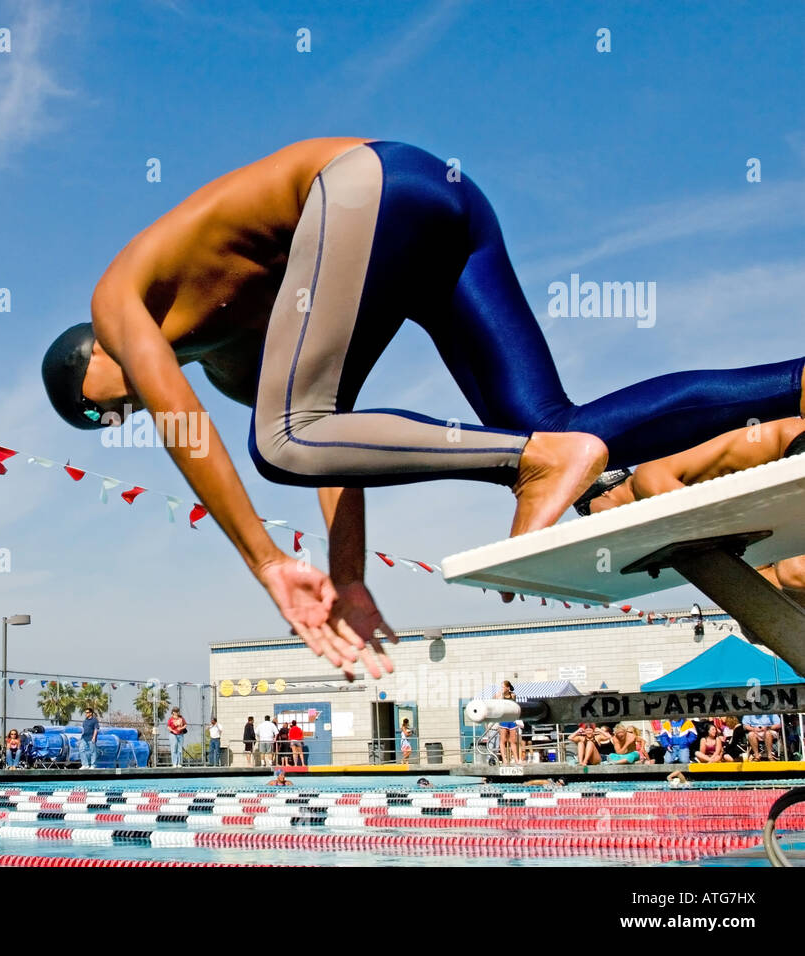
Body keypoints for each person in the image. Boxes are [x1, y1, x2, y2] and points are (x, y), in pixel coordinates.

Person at [44, 138, 805, 681]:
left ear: (94, 357)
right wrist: (347, 578)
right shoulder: (239, 365)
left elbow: (193, 427)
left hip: (363, 187)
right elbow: (337, 445)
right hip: (441, 204)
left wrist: (271, 564)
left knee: (276, 443)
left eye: (102, 412)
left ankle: (532, 467)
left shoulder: (117, 301)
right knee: (557, 423)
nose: (124, 421)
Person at [576, 419, 805, 602]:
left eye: (586, 511)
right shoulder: (651, 487)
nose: (592, 518)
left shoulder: (648, 480)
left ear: (604, 492)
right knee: (763, 605)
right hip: (787, 473)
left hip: (796, 446)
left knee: (793, 573)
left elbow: (719, 530)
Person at [497, 680, 520, 765]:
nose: (502, 688)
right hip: (503, 719)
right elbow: (499, 702)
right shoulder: (499, 695)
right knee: (503, 740)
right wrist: (502, 695)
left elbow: (513, 704)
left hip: (511, 719)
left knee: (513, 741)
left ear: (507, 688)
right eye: (501, 687)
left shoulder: (513, 695)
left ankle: (517, 760)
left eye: (503, 687)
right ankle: (504, 759)